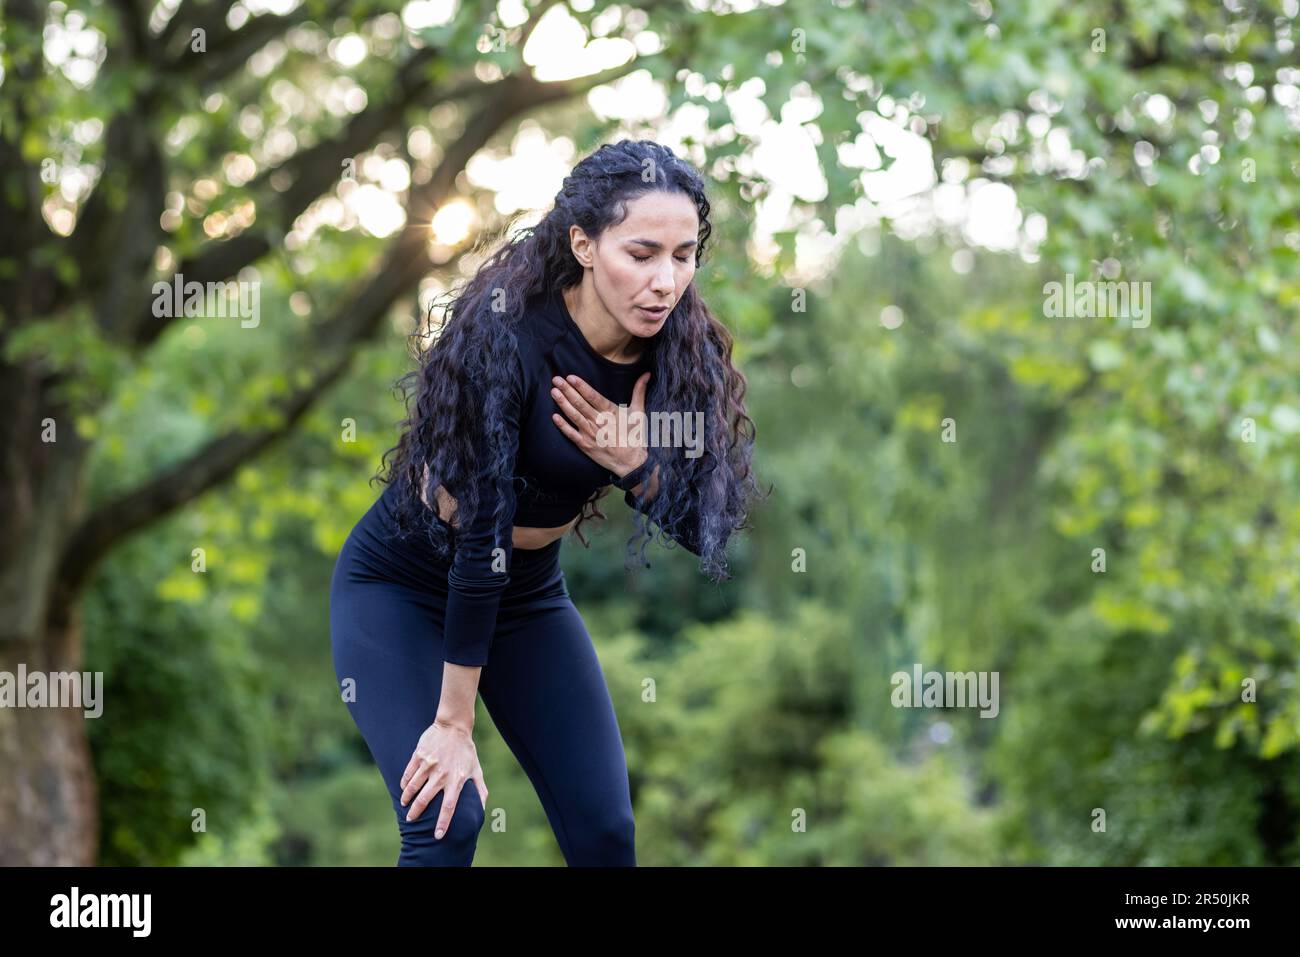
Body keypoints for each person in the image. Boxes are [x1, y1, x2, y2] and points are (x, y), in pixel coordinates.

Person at [329, 139, 762, 866]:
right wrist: (451, 720)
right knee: (447, 816)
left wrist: (636, 464)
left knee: (604, 833)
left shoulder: (678, 352)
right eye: (643, 252)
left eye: (684, 256)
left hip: (526, 596)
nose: (666, 281)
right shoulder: (509, 332)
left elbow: (709, 526)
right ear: (583, 244)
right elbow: (482, 529)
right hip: (403, 583)